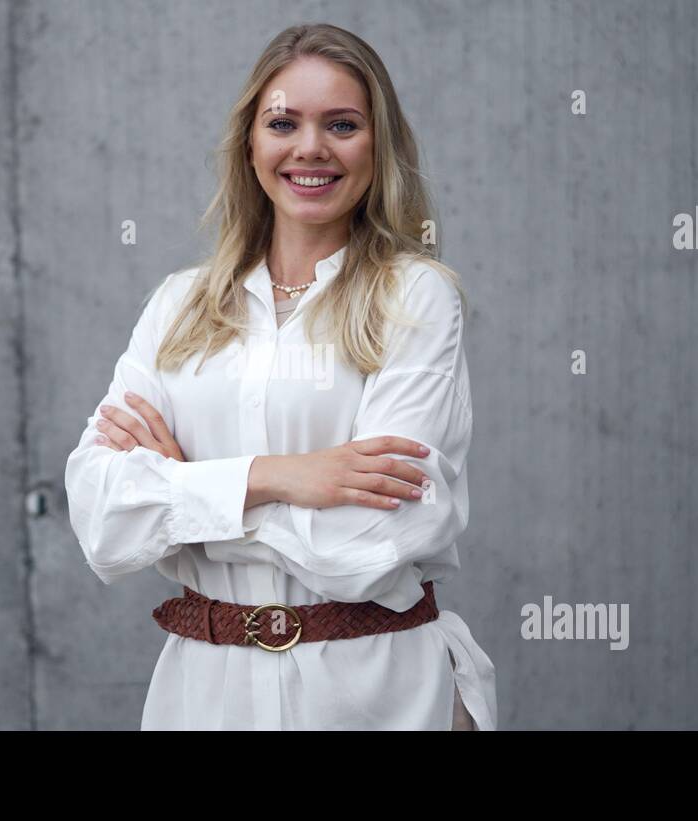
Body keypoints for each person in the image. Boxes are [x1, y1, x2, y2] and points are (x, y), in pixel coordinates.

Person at [64, 22, 497, 730]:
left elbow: (376, 541)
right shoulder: (179, 305)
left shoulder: (415, 297)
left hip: (374, 695)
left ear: (377, 144)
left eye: (343, 124)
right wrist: (282, 476)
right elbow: (103, 520)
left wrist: (185, 499)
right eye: (283, 122)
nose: (310, 148)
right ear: (251, 143)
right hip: (205, 699)